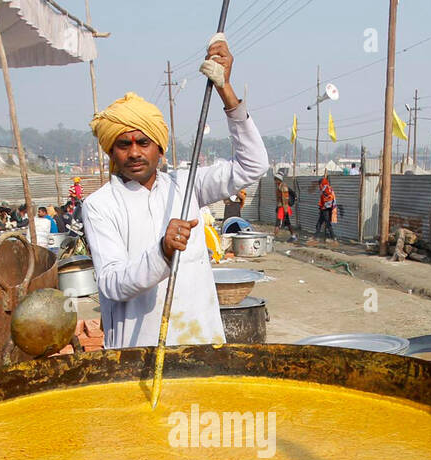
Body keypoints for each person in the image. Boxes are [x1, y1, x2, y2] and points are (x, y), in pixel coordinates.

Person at [82, 35, 269, 348]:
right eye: (123, 144)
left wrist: (226, 90)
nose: (134, 153)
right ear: (111, 151)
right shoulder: (100, 205)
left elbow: (252, 165)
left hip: (201, 343)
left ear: (159, 148)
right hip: (137, 353)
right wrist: (162, 252)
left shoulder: (186, 185)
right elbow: (112, 284)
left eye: (143, 143)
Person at [274, 174, 297, 240]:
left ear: (279, 180)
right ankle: (293, 236)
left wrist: (285, 209)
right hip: (281, 207)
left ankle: (274, 237)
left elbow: (285, 199)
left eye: (276, 179)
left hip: (283, 208)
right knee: (287, 222)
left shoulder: (283, 187)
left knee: (278, 223)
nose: (275, 181)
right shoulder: (279, 186)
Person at [315, 174, 337, 241]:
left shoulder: (325, 189)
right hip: (325, 209)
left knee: (327, 224)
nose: (319, 186)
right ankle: (316, 237)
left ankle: (333, 238)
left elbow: (329, 198)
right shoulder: (328, 188)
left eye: (319, 184)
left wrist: (325, 205)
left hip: (325, 209)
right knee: (319, 223)